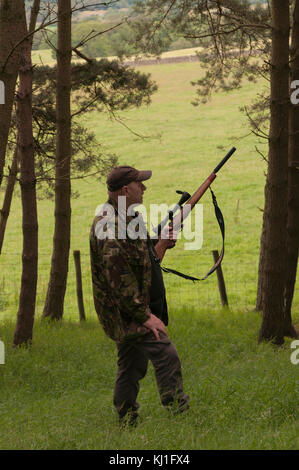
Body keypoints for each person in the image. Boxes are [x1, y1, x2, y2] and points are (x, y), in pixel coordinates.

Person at [90, 165, 189, 427]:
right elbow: (119, 281)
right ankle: (180, 417)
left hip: (131, 306)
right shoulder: (108, 225)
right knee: (164, 350)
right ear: (125, 189)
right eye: (139, 184)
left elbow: (143, 254)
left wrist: (162, 241)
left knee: (131, 364)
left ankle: (126, 421)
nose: (143, 188)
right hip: (124, 310)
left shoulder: (129, 216)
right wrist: (146, 317)